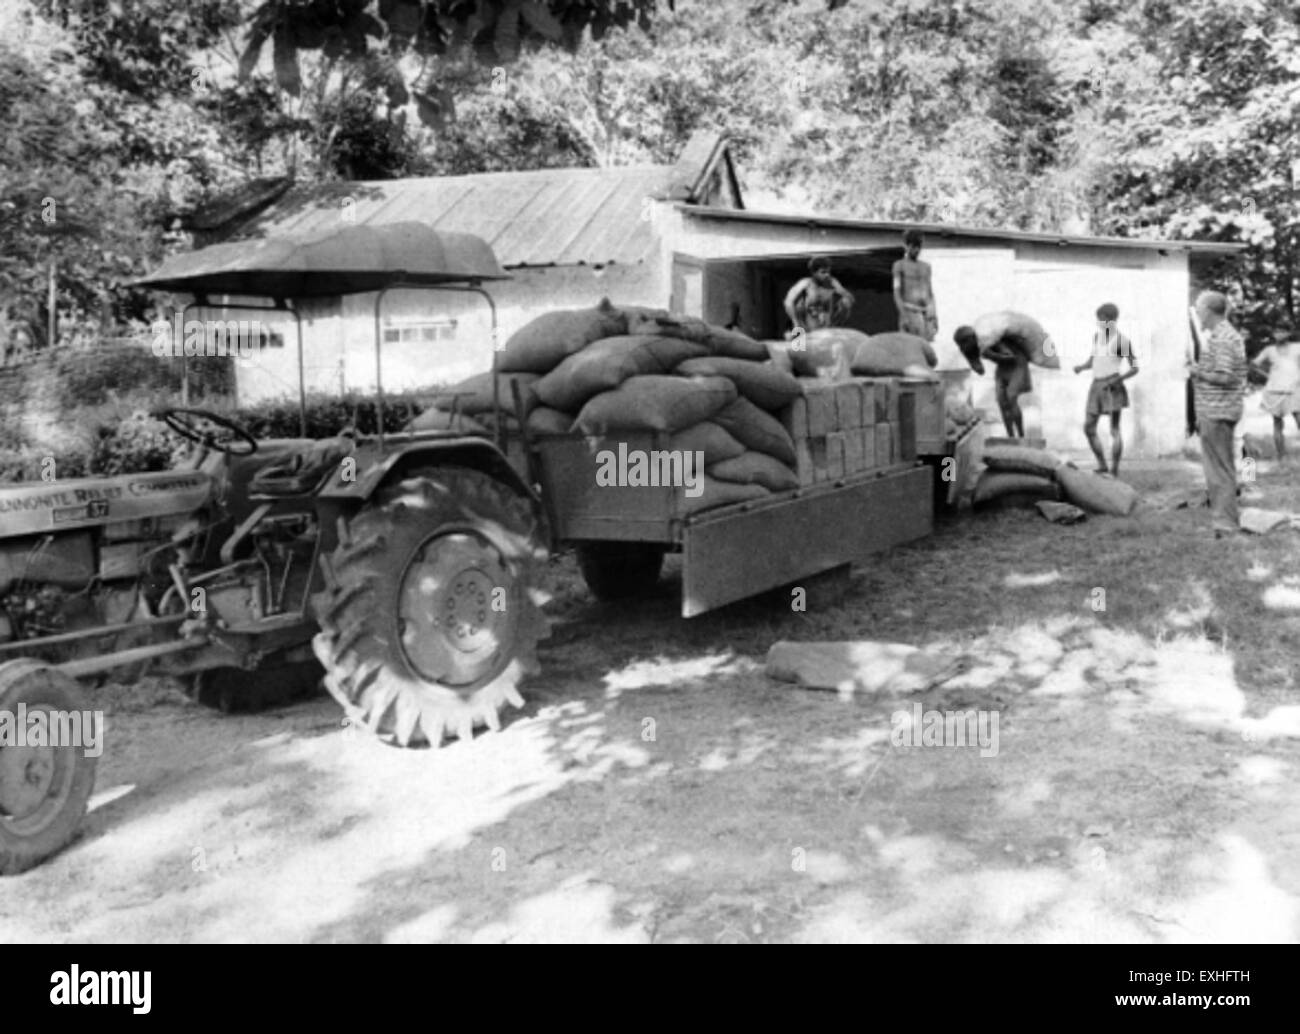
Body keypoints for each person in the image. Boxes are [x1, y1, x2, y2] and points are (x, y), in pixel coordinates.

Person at [1189, 290, 1248, 537]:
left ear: (1208, 311)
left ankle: (1225, 525)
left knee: (1218, 470)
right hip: (1219, 410)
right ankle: (1226, 521)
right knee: (1222, 468)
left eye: (1198, 309)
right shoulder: (1224, 334)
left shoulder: (1222, 338)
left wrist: (1197, 372)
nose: (1197, 314)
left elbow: (1226, 376)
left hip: (1217, 411)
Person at [953, 312, 1057, 438]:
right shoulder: (979, 346)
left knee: (1011, 397)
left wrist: (991, 355)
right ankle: (1011, 436)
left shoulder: (988, 339)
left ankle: (1021, 435)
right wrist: (974, 356)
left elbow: (1009, 357)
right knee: (1002, 402)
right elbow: (980, 370)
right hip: (1003, 369)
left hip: (1017, 365)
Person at [1073, 302, 1139, 476]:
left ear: (1111, 320)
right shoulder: (1097, 337)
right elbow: (1092, 360)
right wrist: (1081, 367)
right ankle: (1102, 464)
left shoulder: (1122, 341)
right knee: (1088, 427)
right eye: (1098, 320)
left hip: (1112, 385)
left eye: (1101, 319)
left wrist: (1119, 379)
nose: (1099, 323)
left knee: (1114, 430)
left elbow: (1134, 368)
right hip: (1096, 385)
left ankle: (1114, 469)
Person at [1250, 329, 1300, 462]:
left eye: (1282, 331)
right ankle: (1281, 456)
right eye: (1276, 332)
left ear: (1288, 334)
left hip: (1293, 390)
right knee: (1277, 424)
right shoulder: (1269, 350)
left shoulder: (1297, 348)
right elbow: (1254, 364)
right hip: (1274, 391)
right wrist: (1267, 376)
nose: (1279, 334)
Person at [784, 255, 854, 332]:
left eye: (828, 272)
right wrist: (795, 321)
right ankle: (800, 336)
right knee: (798, 305)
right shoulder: (805, 283)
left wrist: (844, 300)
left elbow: (849, 297)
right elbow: (788, 302)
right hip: (806, 323)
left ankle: (833, 328)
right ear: (814, 273)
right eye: (823, 272)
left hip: (825, 323)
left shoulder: (832, 282)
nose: (827, 275)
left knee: (845, 301)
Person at [892, 229, 937, 340]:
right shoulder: (899, 266)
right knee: (911, 348)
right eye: (913, 247)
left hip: (926, 314)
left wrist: (934, 314)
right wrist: (904, 315)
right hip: (910, 311)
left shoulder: (926, 267)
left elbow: (930, 292)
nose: (916, 250)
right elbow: (897, 293)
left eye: (919, 247)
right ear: (906, 246)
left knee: (926, 349)